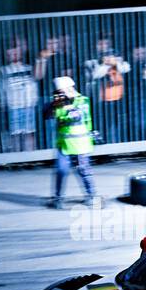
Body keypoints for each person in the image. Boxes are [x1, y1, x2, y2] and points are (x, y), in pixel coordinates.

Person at [47, 75, 97, 208]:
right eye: (59, 91)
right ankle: (57, 199)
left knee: (84, 171)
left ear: (69, 88)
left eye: (62, 90)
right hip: (63, 144)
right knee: (61, 171)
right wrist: (53, 105)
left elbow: (75, 115)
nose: (60, 93)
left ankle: (92, 197)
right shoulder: (58, 102)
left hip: (81, 144)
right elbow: (47, 115)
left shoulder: (82, 101)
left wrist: (65, 106)